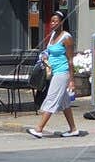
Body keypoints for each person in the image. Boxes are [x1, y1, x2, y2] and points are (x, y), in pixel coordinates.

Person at [28, 11, 82, 139]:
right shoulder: (52, 35)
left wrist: (72, 81)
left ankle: (39, 129)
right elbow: (49, 51)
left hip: (62, 72)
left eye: (55, 21)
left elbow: (70, 60)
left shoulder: (66, 37)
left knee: (51, 99)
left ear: (62, 22)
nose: (53, 23)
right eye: (51, 21)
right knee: (64, 102)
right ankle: (73, 129)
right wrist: (45, 56)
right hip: (53, 72)